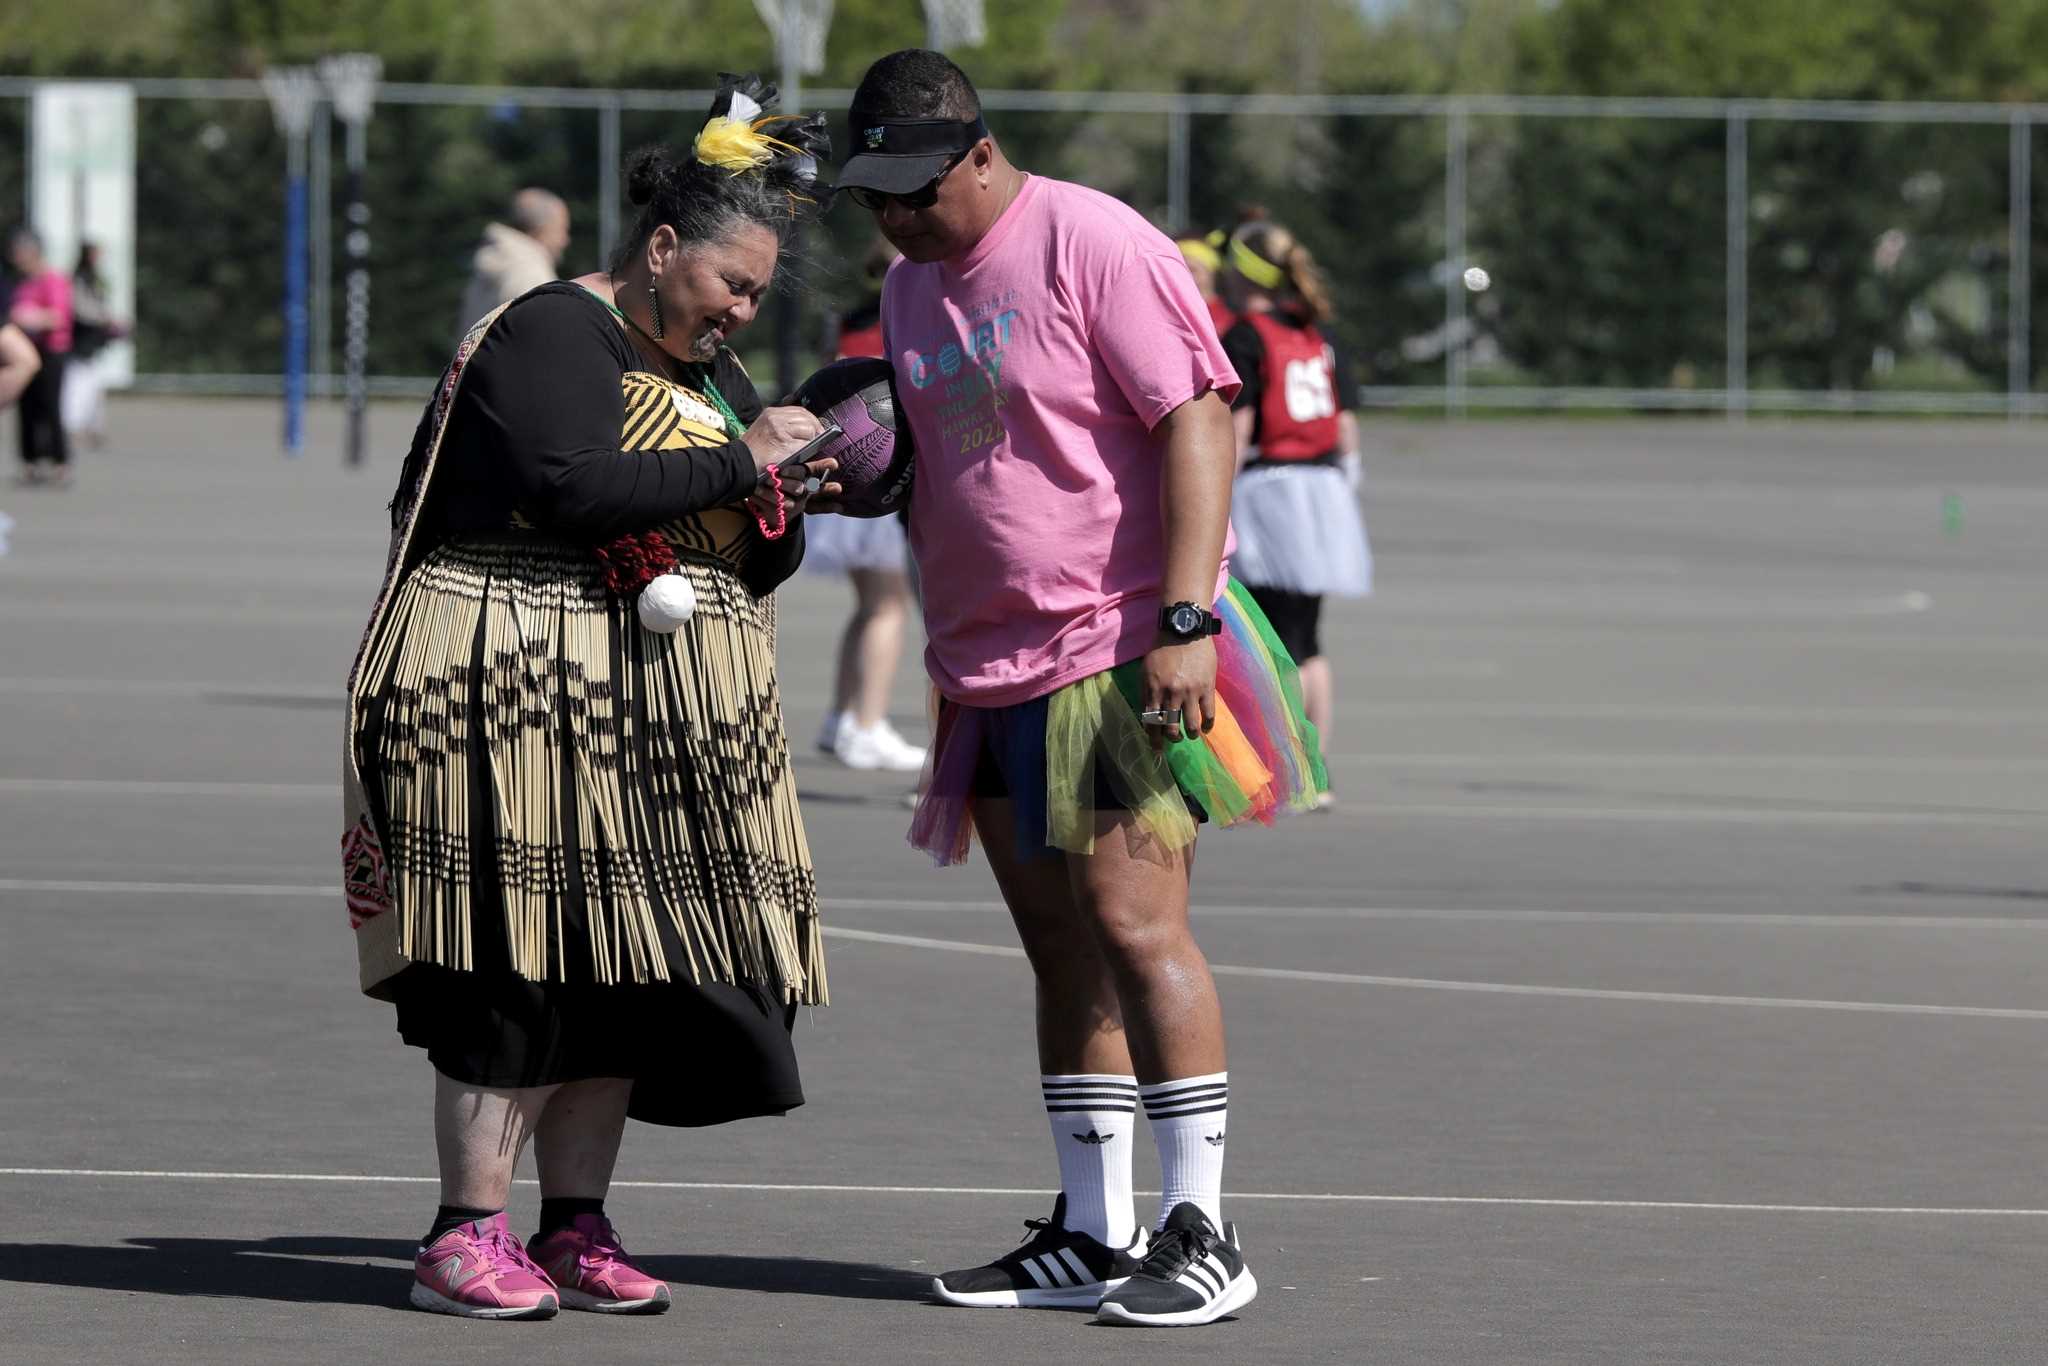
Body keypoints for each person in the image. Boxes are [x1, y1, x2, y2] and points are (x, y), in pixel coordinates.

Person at [833, 49, 1325, 1329]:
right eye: (874, 195)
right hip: (981, 662)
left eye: (913, 189)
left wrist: (1181, 615)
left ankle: (1202, 1230)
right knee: (1058, 947)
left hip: (1116, 642)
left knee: (1133, 922)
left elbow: (1202, 416)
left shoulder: (1095, 241)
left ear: (980, 152)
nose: (895, 214)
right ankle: (1091, 1232)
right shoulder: (907, 287)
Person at [342, 77, 836, 1323]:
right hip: (505, 688)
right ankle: (463, 1234)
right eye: (728, 282)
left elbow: (727, 532)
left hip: (624, 711)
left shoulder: (696, 375)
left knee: (620, 973)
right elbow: (571, 485)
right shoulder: (552, 330)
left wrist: (783, 503)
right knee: (515, 968)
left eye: (757, 298)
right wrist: (743, 461)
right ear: (661, 247)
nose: (739, 311)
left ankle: (573, 1227)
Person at [1218, 220, 1373, 805]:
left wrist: (1213, 496)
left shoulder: (1246, 335)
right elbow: (1348, 424)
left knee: (1268, 637)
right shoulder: (1320, 332)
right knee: (1308, 635)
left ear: (1239, 272)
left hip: (1270, 491)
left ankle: (1279, 765)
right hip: (1325, 489)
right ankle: (1317, 770)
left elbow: (1241, 427)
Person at [806, 236, 927, 772]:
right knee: (888, 607)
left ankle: (840, 718)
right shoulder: (909, 314)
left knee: (868, 606)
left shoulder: (848, 318)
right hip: (876, 475)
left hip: (840, 471)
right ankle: (868, 724)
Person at [455, 187, 572, 340]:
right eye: (562, 230)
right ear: (541, 229)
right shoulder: (530, 273)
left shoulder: (494, 262)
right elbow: (542, 339)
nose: (565, 240)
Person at [8, 228, 73, 486]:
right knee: (26, 406)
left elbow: (57, 316)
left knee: (50, 406)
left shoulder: (52, 280)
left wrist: (29, 317)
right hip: (26, 349)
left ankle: (60, 461)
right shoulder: (23, 283)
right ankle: (30, 461)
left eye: (20, 251)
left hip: (51, 351)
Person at [63, 242, 123, 449]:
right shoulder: (80, 278)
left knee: (94, 382)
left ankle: (92, 425)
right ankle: (73, 425)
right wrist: (104, 319)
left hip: (92, 338)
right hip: (82, 337)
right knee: (79, 381)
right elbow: (80, 308)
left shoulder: (92, 278)